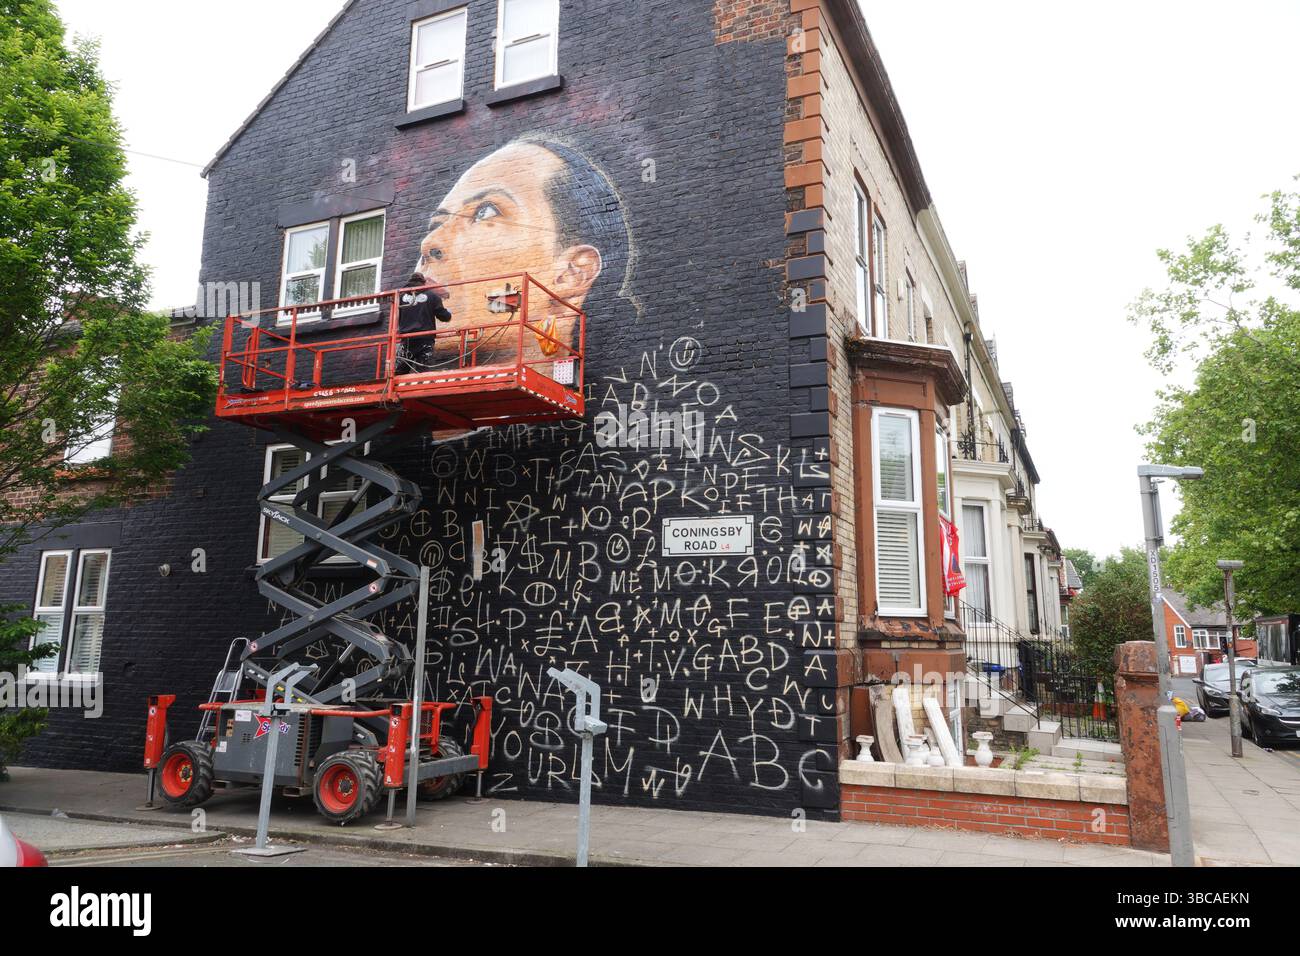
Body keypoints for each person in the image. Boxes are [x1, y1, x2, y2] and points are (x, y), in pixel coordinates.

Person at [396, 270, 452, 372]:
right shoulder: (432, 296)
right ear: (423, 282)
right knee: (422, 371)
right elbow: (444, 316)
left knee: (400, 371)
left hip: (407, 339)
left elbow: (396, 317)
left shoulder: (400, 297)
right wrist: (448, 313)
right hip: (425, 339)